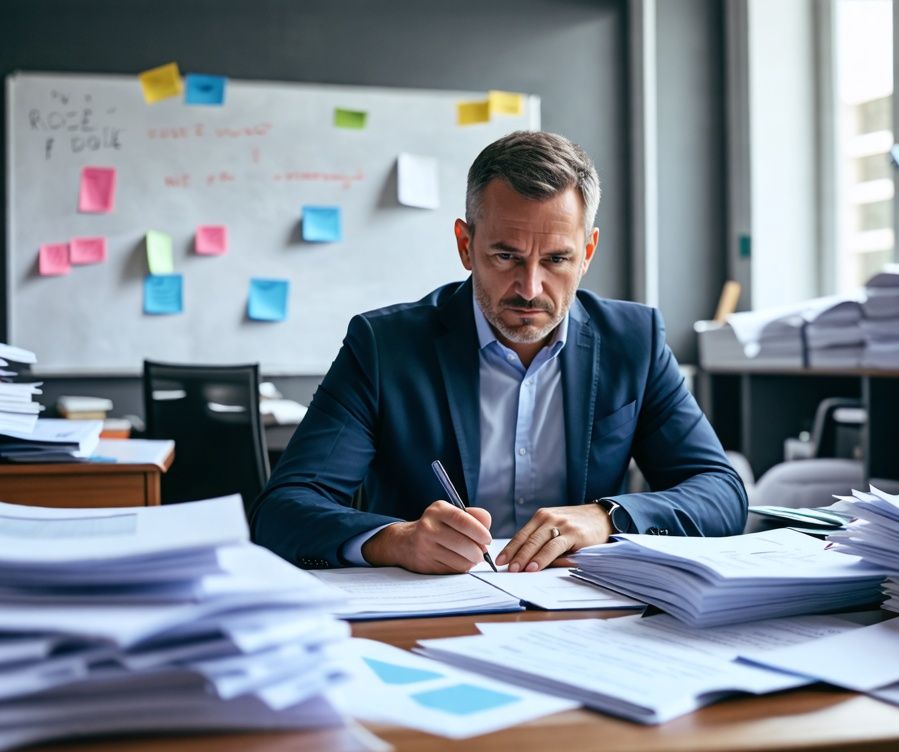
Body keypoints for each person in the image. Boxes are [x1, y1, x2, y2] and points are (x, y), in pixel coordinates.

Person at [251, 130, 746, 574]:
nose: (530, 288)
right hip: (429, 612)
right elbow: (285, 510)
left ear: (588, 252)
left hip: (583, 612)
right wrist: (395, 542)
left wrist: (606, 517)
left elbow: (721, 492)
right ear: (466, 245)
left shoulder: (632, 340)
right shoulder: (384, 346)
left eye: (556, 259)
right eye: (506, 256)